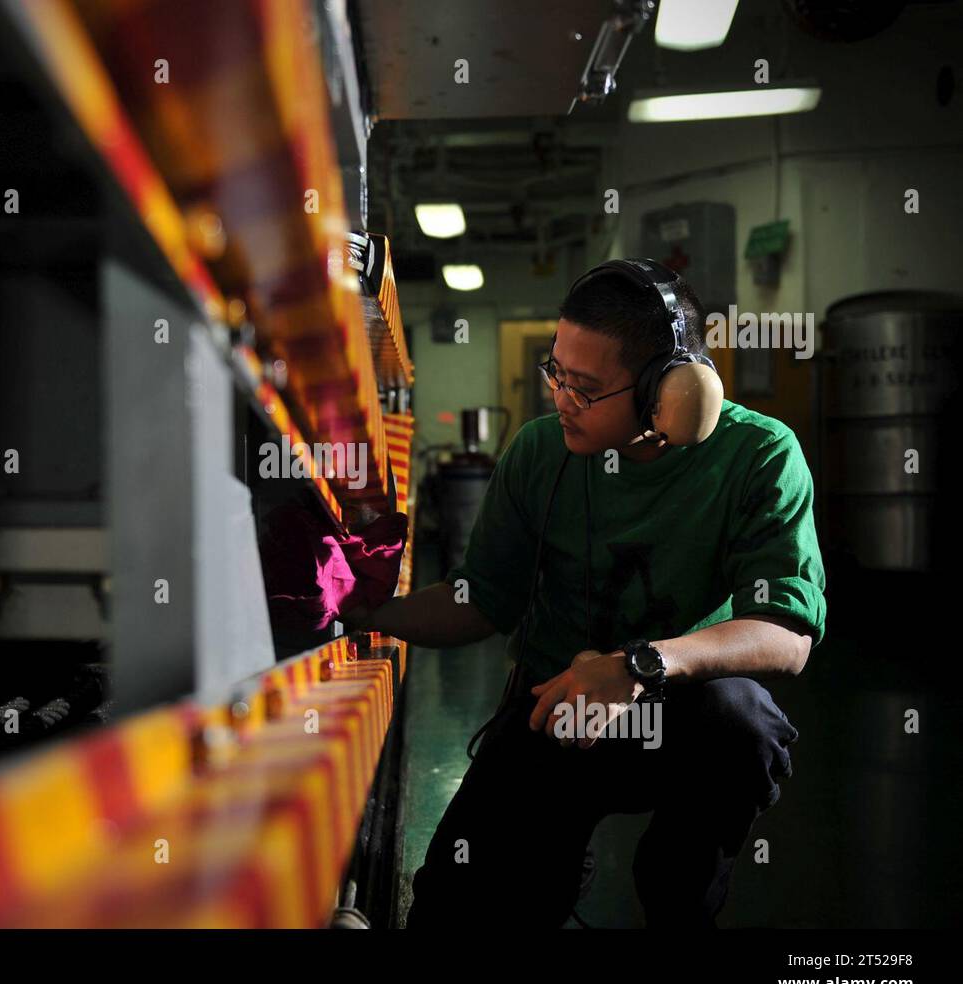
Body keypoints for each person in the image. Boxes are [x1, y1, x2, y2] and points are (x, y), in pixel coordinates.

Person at [339, 261, 826, 928]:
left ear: (667, 393)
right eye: (556, 374)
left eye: (586, 389)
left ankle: (679, 891)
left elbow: (786, 632)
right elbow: (480, 599)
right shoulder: (539, 453)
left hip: (678, 720)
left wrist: (640, 665)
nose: (561, 399)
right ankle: (551, 865)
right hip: (555, 712)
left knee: (742, 721)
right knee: (452, 909)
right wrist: (368, 612)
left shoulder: (759, 455)